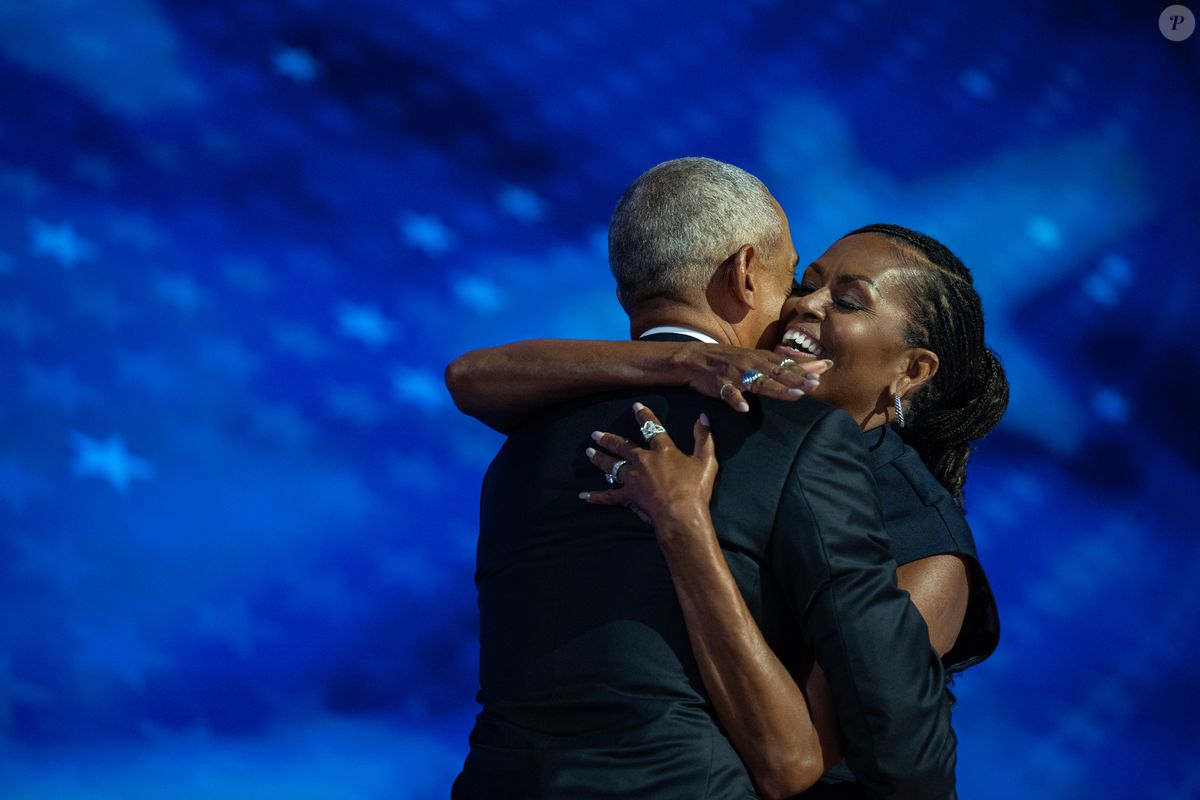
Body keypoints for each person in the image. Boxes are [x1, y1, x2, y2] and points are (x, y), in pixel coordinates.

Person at [448, 158, 957, 799]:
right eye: (793, 276)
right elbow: (873, 732)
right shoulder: (797, 439)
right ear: (745, 273)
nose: (797, 304)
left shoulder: (522, 442)